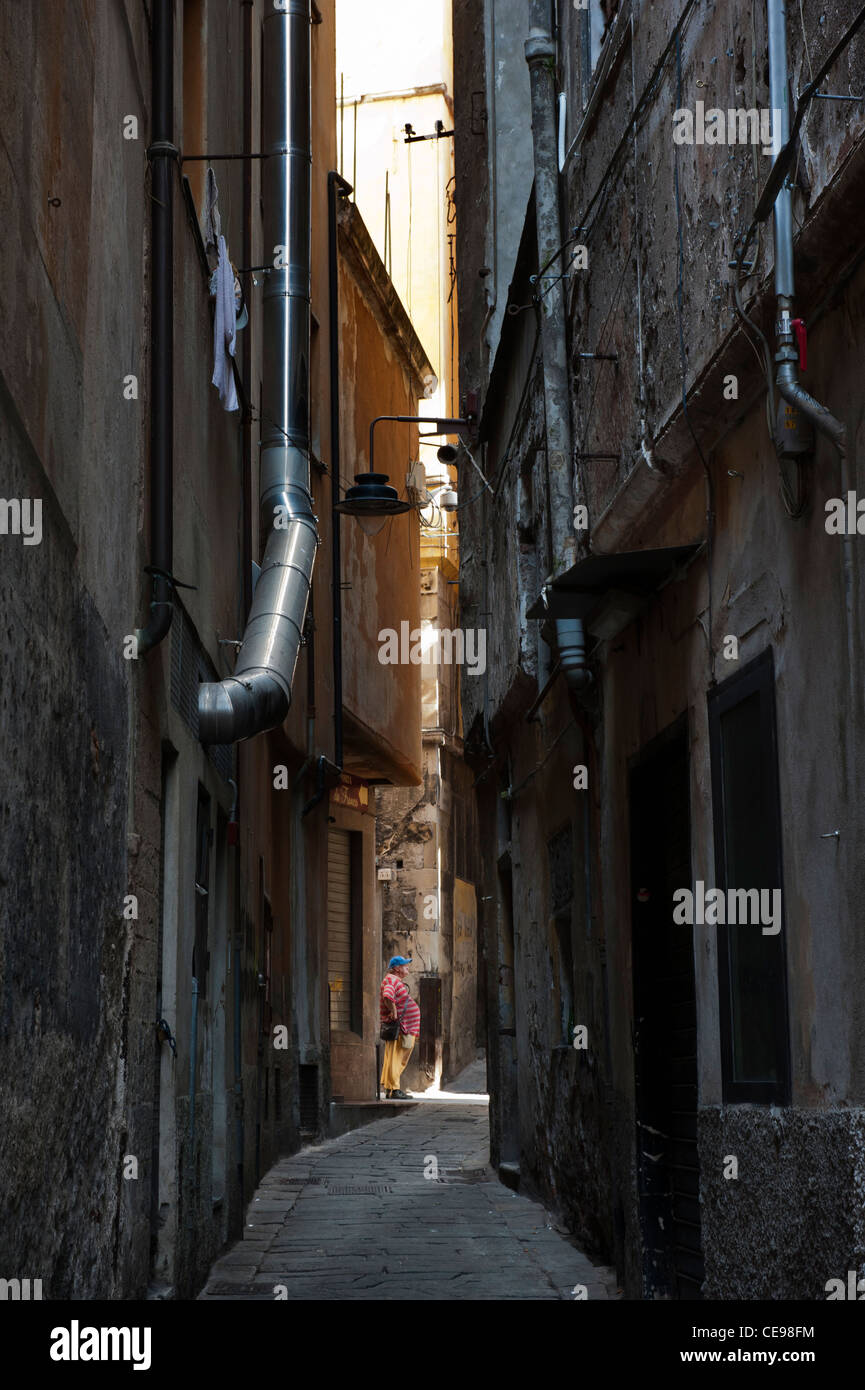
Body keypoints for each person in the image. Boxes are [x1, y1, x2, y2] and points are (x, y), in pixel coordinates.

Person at [379, 956, 420, 1099]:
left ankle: (391, 1088)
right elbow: (387, 996)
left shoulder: (393, 980)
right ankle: (394, 1089)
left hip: (405, 1026)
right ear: (397, 968)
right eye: (404, 964)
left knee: (394, 1057)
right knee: (397, 1057)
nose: (407, 966)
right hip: (402, 1026)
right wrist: (394, 1013)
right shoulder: (391, 980)